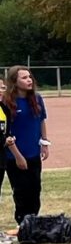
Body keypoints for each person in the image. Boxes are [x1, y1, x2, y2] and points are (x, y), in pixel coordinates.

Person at [2, 66, 49, 225]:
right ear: (14, 81)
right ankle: (22, 223)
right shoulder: (6, 102)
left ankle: (33, 221)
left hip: (33, 153)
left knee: (35, 190)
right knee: (21, 191)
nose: (29, 80)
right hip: (14, 156)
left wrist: (44, 142)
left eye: (29, 77)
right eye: (24, 78)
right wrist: (17, 156)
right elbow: (6, 133)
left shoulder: (36, 98)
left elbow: (41, 120)